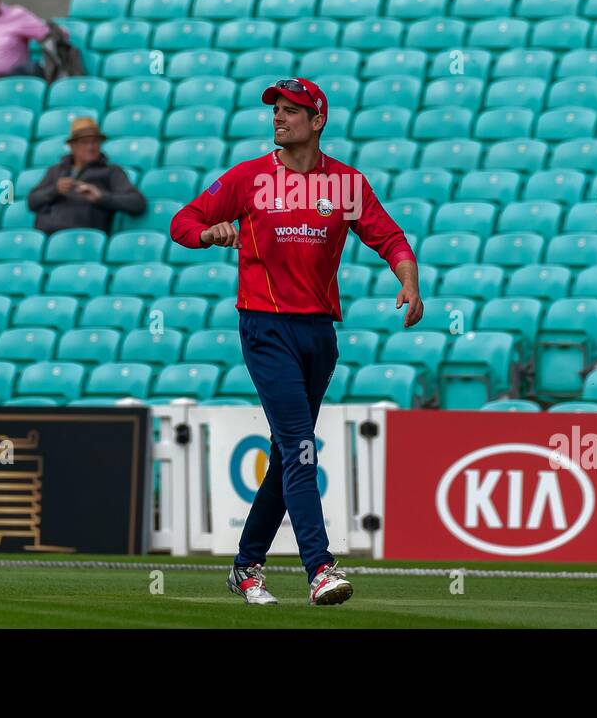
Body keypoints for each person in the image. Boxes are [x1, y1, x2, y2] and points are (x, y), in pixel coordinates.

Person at [170, 77, 423, 608]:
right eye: (277, 110)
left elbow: (390, 236)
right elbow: (182, 222)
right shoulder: (248, 177)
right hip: (264, 326)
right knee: (302, 446)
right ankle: (320, 568)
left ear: (317, 121)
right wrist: (210, 234)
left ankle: (245, 567)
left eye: (291, 111)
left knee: (290, 450)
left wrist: (409, 281)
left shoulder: (347, 184)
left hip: (318, 334)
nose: (279, 118)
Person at [27, 117, 145, 235]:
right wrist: (55, 190)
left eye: (95, 141)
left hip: (84, 238)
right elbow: (32, 202)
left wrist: (101, 197)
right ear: (72, 146)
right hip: (49, 238)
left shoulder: (111, 171)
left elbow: (137, 203)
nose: (90, 147)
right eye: (84, 142)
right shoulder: (55, 170)